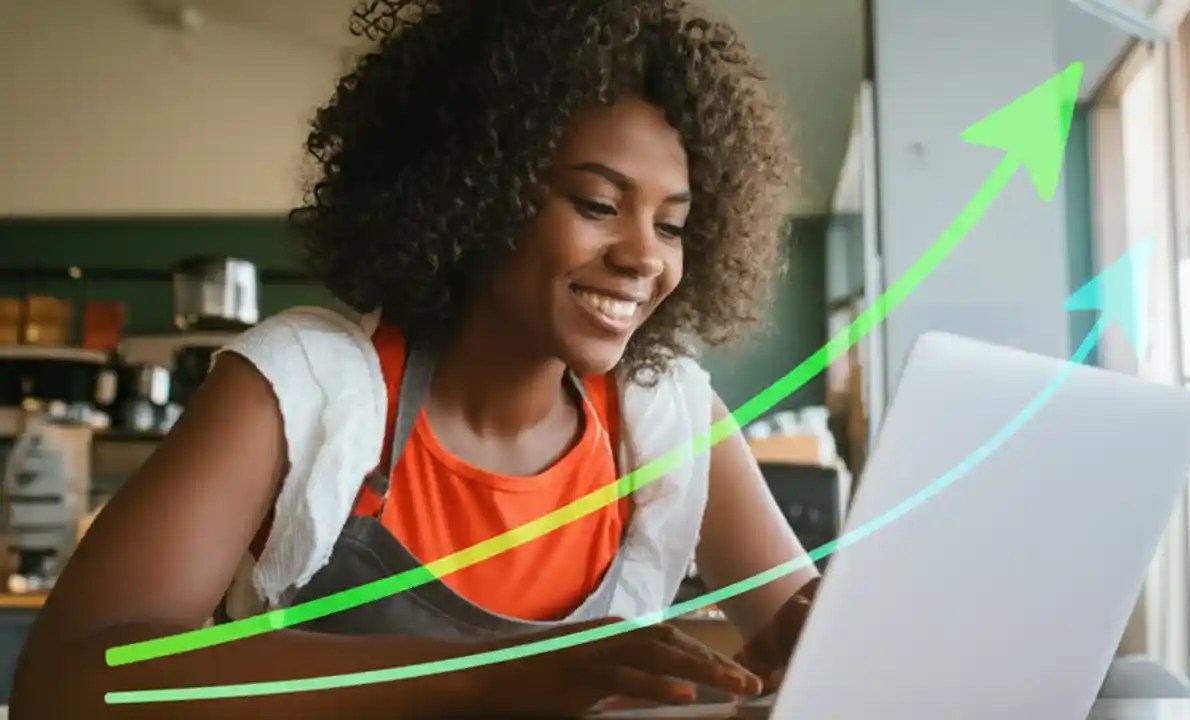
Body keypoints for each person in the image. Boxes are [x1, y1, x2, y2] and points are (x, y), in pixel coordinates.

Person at [12, 0, 821, 716]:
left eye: (673, 225)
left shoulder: (664, 420)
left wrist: (816, 652)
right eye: (598, 204)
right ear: (477, 191)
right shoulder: (300, 391)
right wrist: (484, 678)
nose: (645, 256)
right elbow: (64, 682)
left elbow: (807, 647)